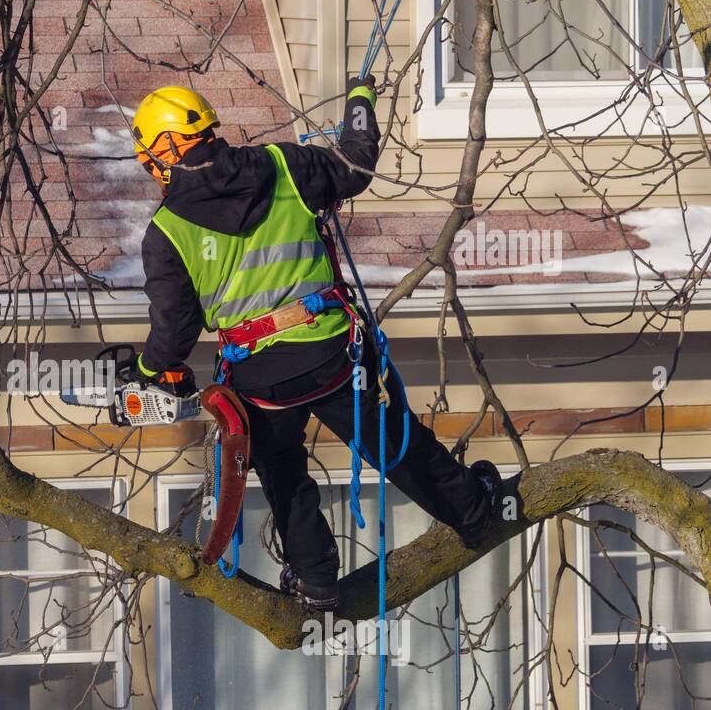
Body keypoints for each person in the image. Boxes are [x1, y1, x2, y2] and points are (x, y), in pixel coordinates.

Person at [130, 82, 503, 610]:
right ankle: (473, 511)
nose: (152, 170)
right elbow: (358, 164)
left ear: (167, 147)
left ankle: (316, 578)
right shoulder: (285, 166)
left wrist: (151, 369)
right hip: (332, 352)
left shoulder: (165, 232)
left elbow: (174, 331)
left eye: (150, 157)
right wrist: (359, 101)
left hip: (259, 378)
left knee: (282, 471)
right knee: (392, 441)